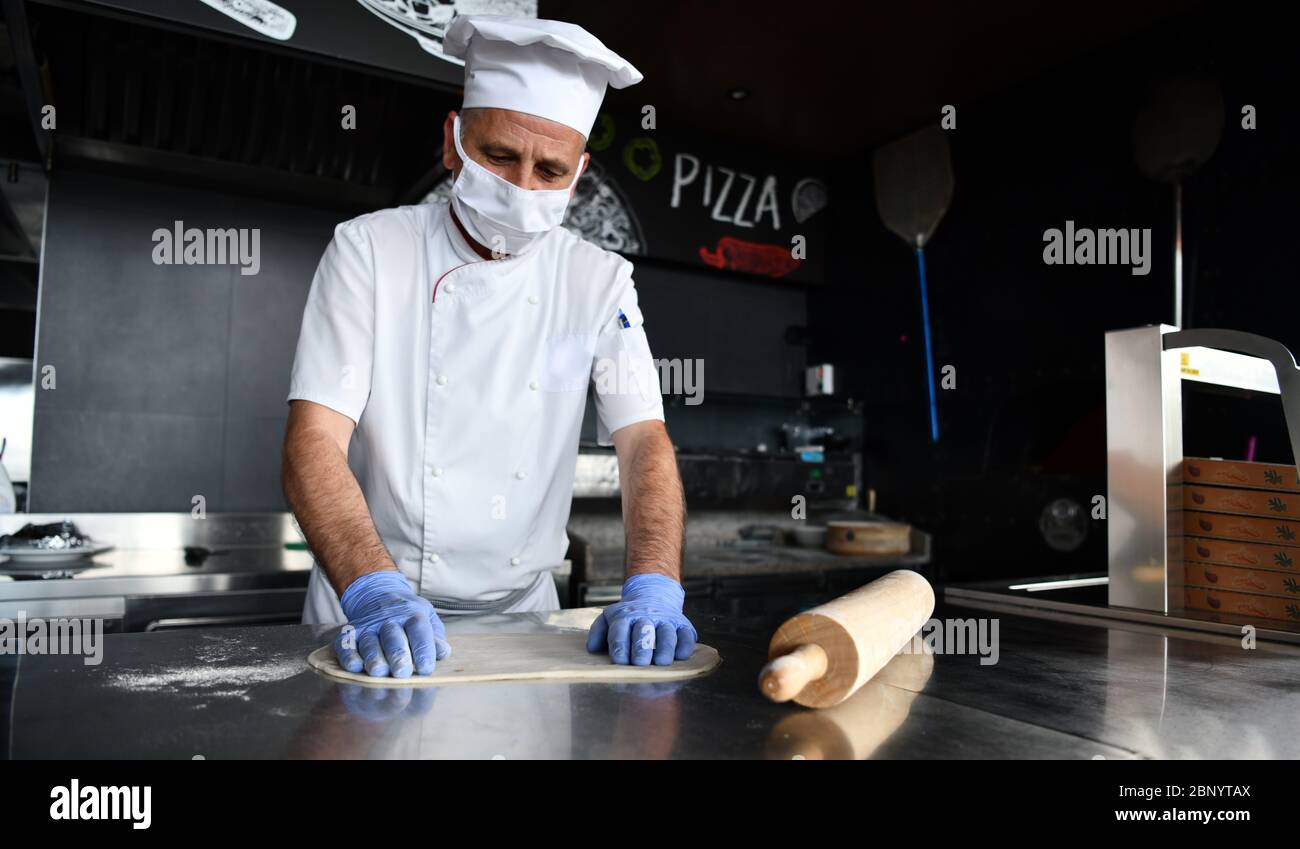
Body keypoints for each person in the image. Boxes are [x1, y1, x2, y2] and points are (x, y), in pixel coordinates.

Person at [282, 16, 697, 678]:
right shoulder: (369, 250)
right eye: (500, 155)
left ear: (578, 174)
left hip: (524, 620)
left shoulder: (597, 280)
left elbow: (644, 439)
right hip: (369, 617)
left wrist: (654, 582)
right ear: (453, 143)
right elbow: (313, 439)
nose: (521, 187)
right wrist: (372, 590)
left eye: (550, 169)